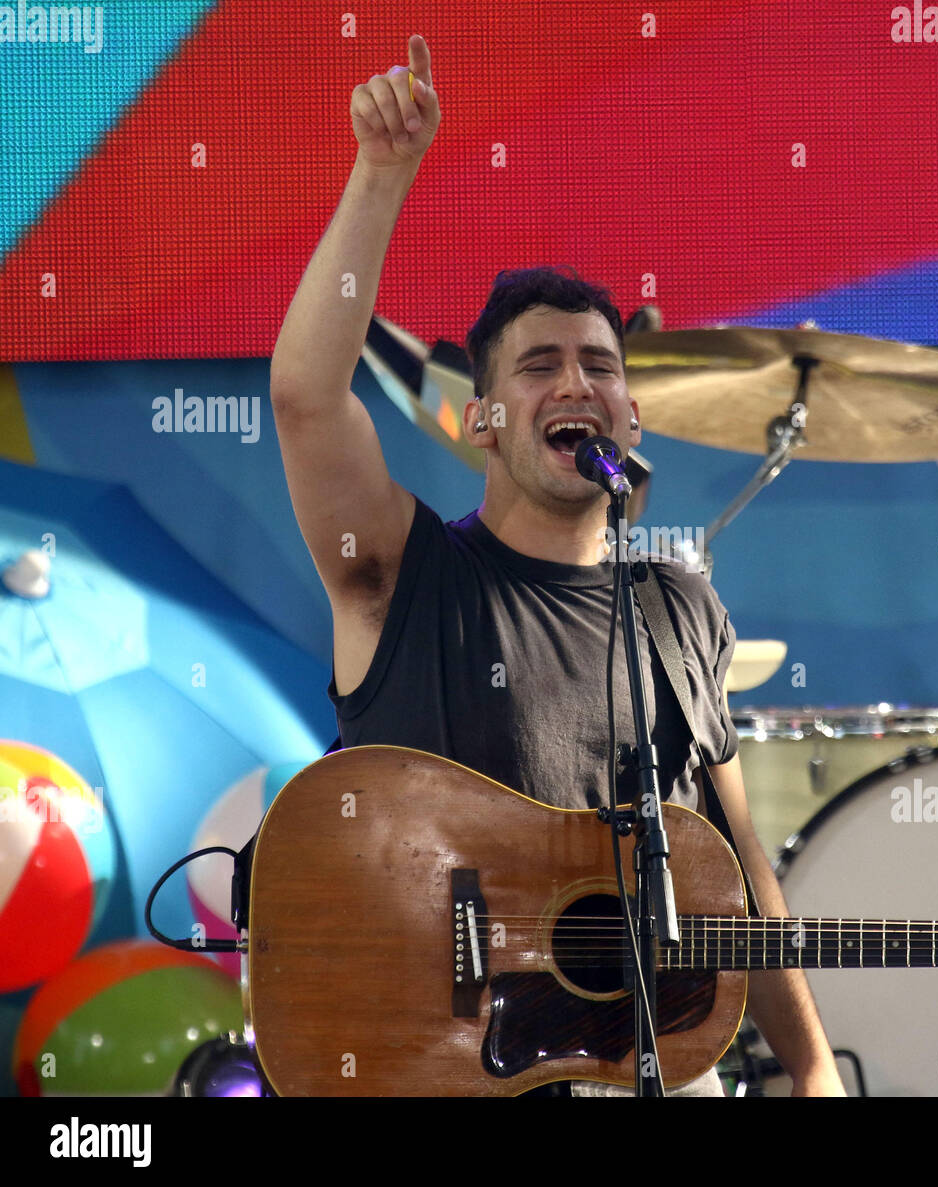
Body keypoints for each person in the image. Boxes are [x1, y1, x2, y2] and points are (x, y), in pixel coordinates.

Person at [268, 33, 844, 1097]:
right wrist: (380, 175)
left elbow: (739, 875)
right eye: (539, 365)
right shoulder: (404, 574)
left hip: (645, 1063)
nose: (575, 382)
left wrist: (811, 1067)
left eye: (600, 365)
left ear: (630, 411)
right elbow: (308, 398)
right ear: (480, 419)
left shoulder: (679, 607)